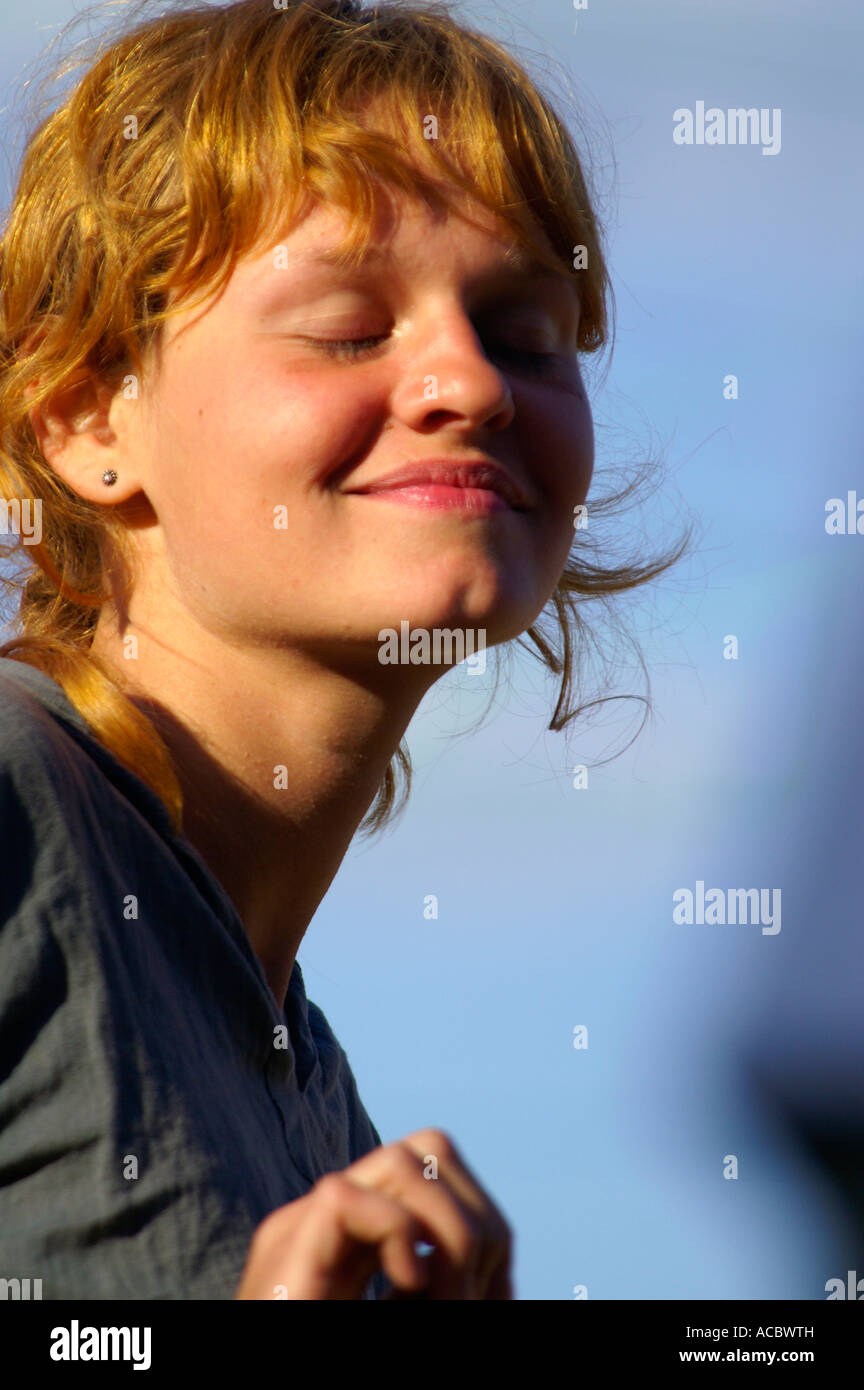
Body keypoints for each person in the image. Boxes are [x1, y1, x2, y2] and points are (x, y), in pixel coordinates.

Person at [0, 0, 685, 1299]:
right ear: (89, 414)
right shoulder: (18, 803)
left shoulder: (322, 1114)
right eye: (350, 328)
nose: (470, 383)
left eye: (523, 332)